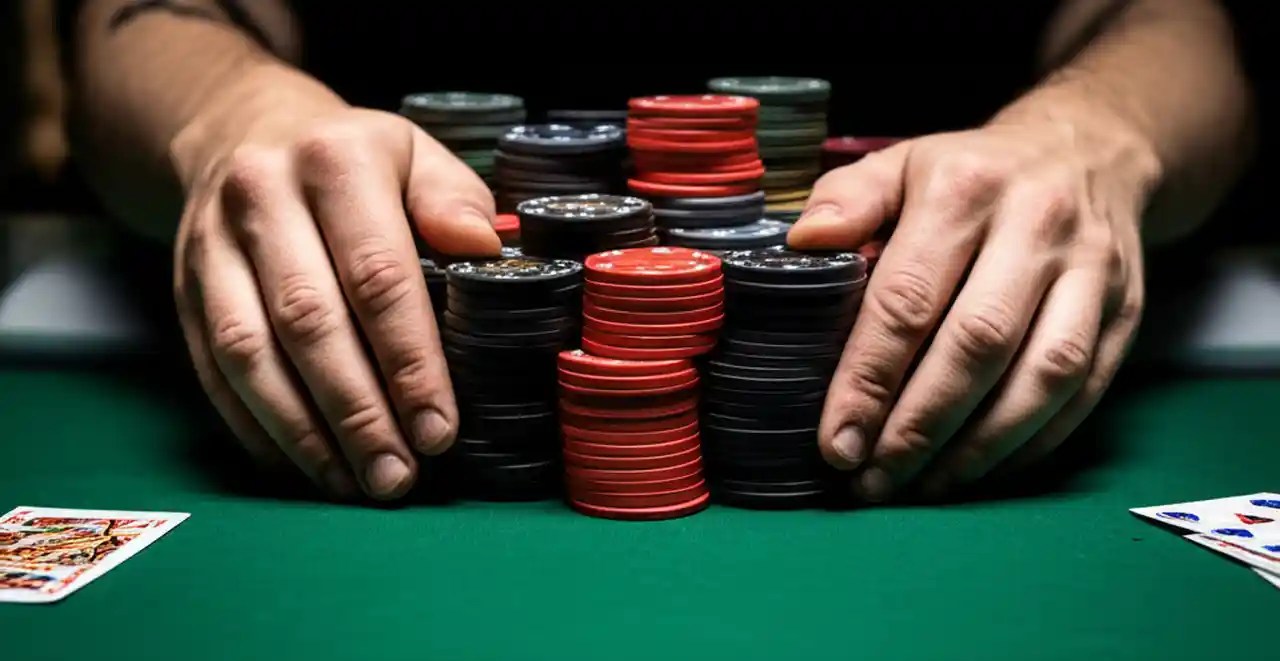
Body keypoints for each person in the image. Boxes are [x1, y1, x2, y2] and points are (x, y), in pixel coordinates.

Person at [58, 0, 1256, 504]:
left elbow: (1174, 22)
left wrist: (1099, 135)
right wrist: (228, 118)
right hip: (426, 309)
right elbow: (145, 20)